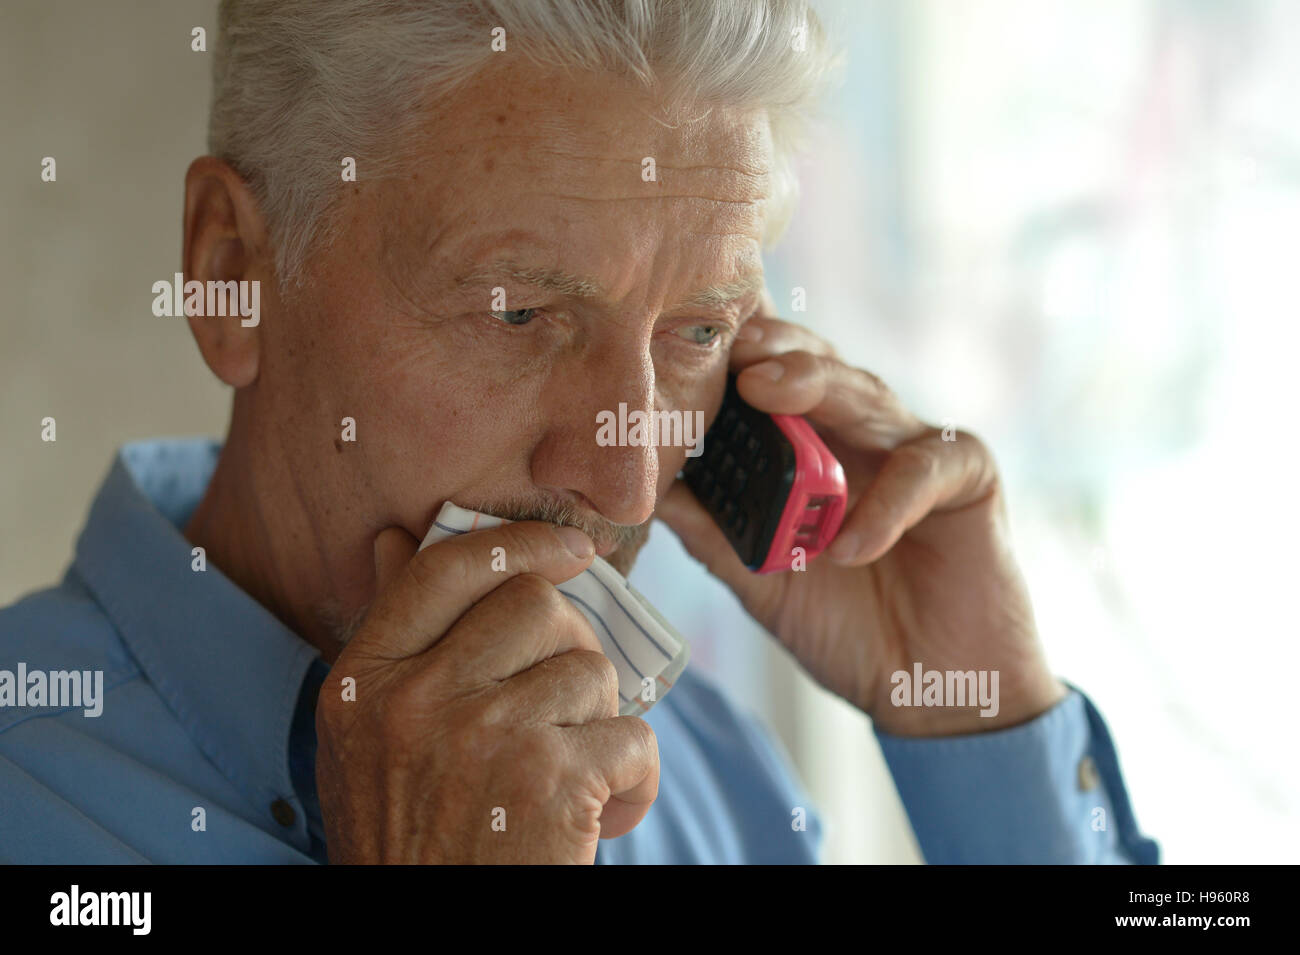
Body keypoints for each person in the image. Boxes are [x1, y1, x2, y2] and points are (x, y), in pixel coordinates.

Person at [0, 0, 1157, 864]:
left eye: (696, 331)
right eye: (519, 313)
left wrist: (985, 723)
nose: (628, 481)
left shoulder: (704, 767)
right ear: (231, 274)